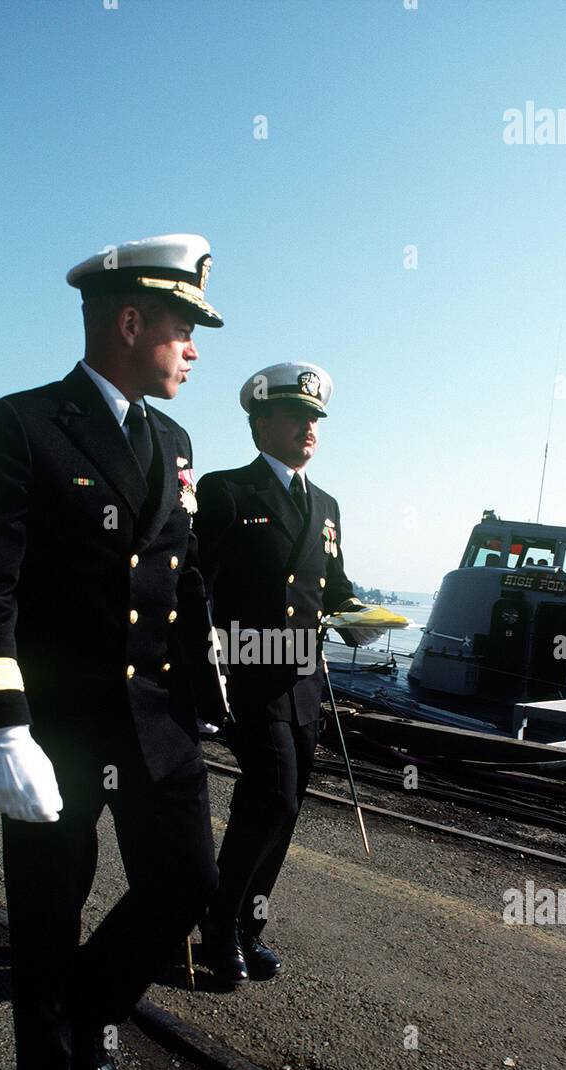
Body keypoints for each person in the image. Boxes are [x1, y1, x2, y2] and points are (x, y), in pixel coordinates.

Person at [0, 234, 227, 1070]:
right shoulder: (22, 426)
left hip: (157, 726)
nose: (194, 348)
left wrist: (209, 672)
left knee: (188, 885)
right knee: (45, 921)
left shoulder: (175, 442)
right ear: (130, 320)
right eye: (184, 327)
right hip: (58, 729)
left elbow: (181, 579)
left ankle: (82, 1021)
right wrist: (5, 727)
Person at [193, 362, 362, 984]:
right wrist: (203, 672)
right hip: (246, 672)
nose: (309, 428)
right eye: (297, 416)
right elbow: (197, 587)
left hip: (303, 680)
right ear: (261, 423)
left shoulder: (327, 505)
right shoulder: (227, 491)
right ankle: (217, 926)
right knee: (273, 794)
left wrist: (360, 620)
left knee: (286, 808)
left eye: (315, 419)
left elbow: (336, 589)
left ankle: (246, 925)